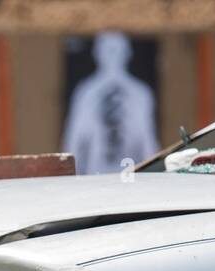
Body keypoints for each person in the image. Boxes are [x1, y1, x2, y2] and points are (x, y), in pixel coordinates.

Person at [62, 32, 160, 175]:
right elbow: (74, 142)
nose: (113, 56)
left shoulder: (140, 93)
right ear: (97, 53)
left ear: (127, 53)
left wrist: (153, 178)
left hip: (132, 177)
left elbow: (147, 141)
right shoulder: (86, 92)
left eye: (117, 50)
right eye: (108, 50)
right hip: (94, 175)